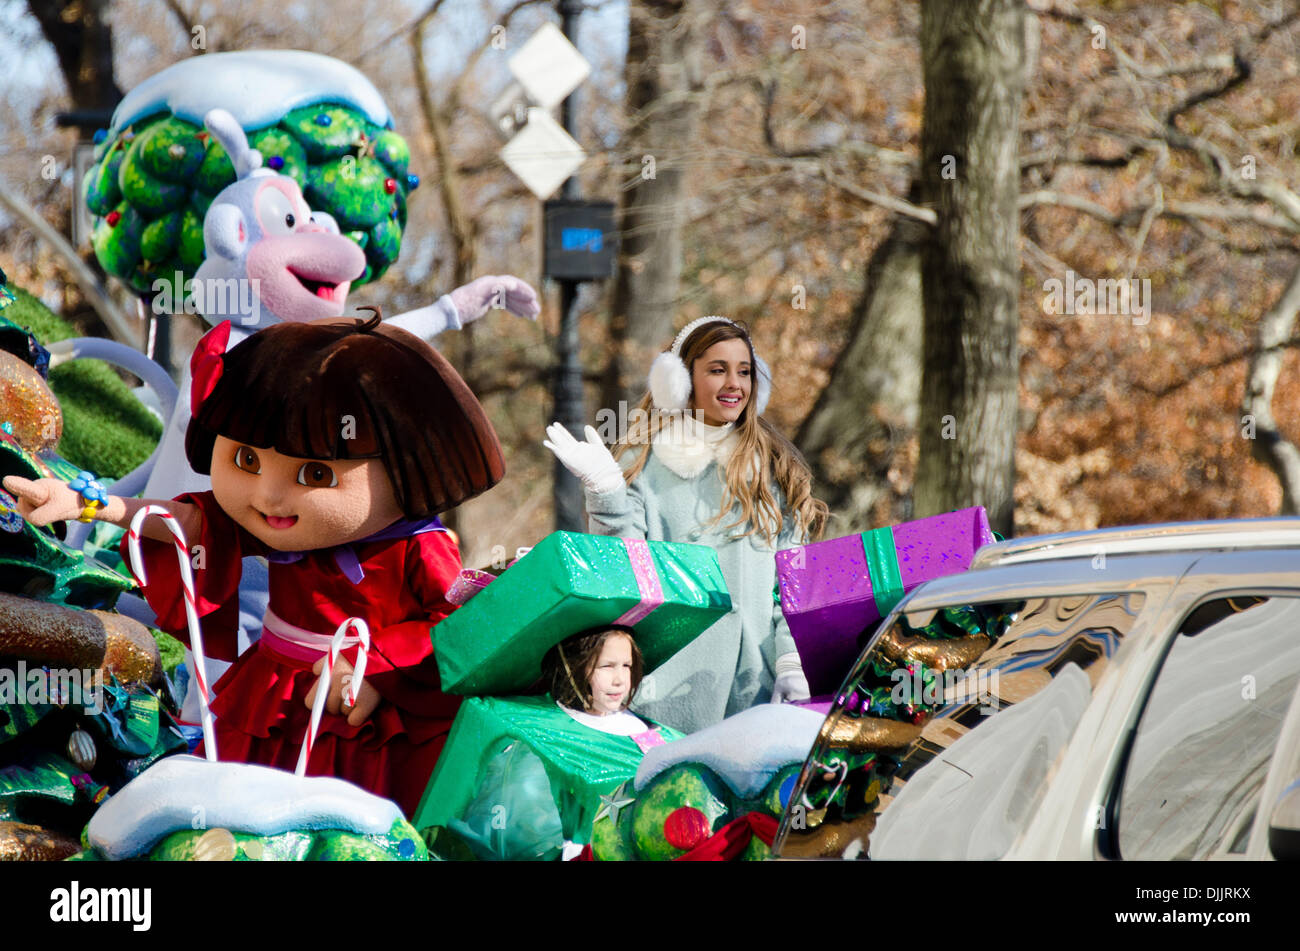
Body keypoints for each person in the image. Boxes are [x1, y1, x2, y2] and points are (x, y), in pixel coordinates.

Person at [3, 311, 504, 816]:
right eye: (247, 460)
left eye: (313, 472)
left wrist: (371, 668)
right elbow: (186, 523)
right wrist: (93, 504)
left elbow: (455, 622)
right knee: (241, 816)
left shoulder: (419, 544)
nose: (269, 495)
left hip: (365, 709)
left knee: (354, 820)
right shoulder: (268, 519)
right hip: (274, 692)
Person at [545, 316, 828, 734]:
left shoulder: (776, 471)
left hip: (760, 688)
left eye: (745, 371)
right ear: (680, 381)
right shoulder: (643, 464)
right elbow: (626, 571)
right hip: (670, 694)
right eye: (717, 369)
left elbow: (794, 582)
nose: (734, 383)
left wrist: (790, 658)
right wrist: (605, 494)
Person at [426, 625, 681, 861]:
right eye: (606, 666)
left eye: (626, 665)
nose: (620, 679)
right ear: (576, 666)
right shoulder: (529, 725)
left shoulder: (658, 736)